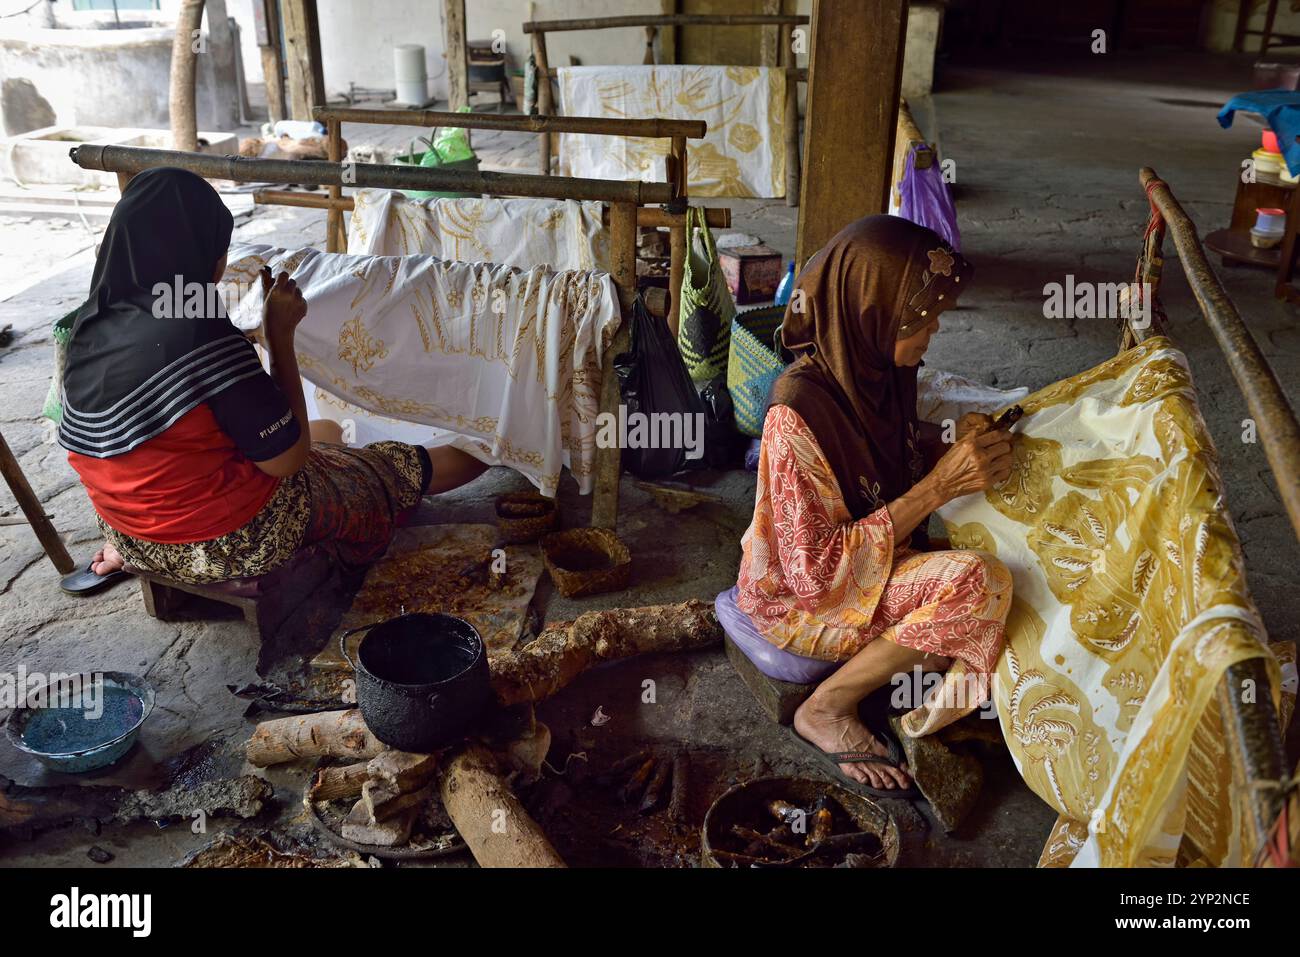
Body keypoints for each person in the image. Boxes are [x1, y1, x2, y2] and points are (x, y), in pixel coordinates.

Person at [58, 167, 487, 587]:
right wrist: (279, 336)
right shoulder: (200, 334)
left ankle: (134, 549)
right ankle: (500, 449)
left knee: (331, 431)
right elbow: (288, 460)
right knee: (387, 466)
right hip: (232, 542)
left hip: (132, 537)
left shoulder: (86, 328)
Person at [733, 215, 1015, 795]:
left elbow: (885, 460)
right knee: (979, 580)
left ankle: (925, 676)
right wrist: (938, 488)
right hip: (797, 602)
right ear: (869, 312)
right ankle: (827, 708)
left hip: (865, 568)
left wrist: (948, 443)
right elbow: (814, 576)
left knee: (1004, 557)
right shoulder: (797, 411)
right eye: (919, 318)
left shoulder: (875, 375)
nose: (933, 328)